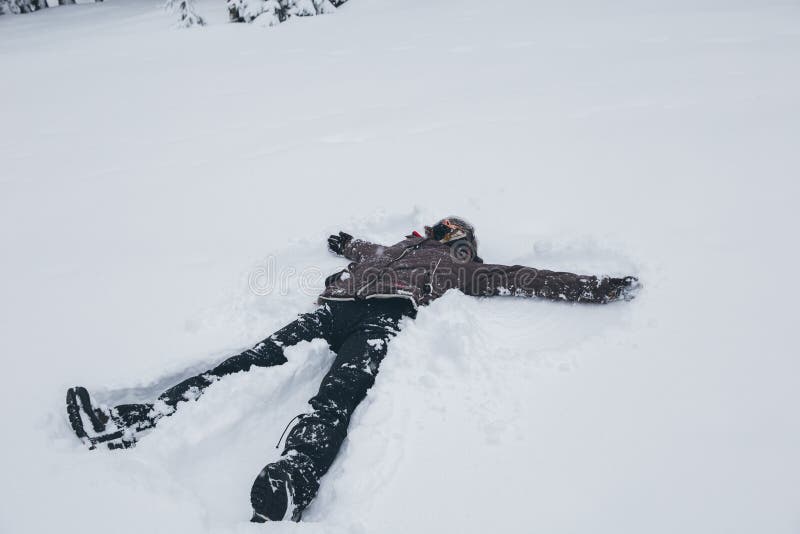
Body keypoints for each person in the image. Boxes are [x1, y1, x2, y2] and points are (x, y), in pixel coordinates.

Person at [66, 217, 639, 522]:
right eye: (441, 228)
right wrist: (345, 241)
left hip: (383, 321)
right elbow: (361, 246)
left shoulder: (466, 267)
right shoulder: (388, 250)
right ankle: (137, 417)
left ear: (464, 241)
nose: (443, 233)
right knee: (245, 362)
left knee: (340, 392)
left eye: (452, 231)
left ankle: (293, 476)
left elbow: (530, 276)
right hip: (331, 311)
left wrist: (595, 287)